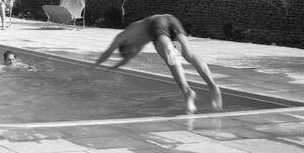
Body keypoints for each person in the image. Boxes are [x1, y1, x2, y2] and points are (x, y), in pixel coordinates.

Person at [94, 14, 223, 114]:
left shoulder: (122, 37)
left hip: (155, 25)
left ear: (124, 46)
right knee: (190, 55)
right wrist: (112, 68)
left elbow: (107, 53)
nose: (131, 54)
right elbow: (126, 60)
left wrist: (94, 66)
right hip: (170, 20)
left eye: (128, 52)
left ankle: (187, 92)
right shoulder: (136, 45)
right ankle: (213, 87)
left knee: (170, 55)